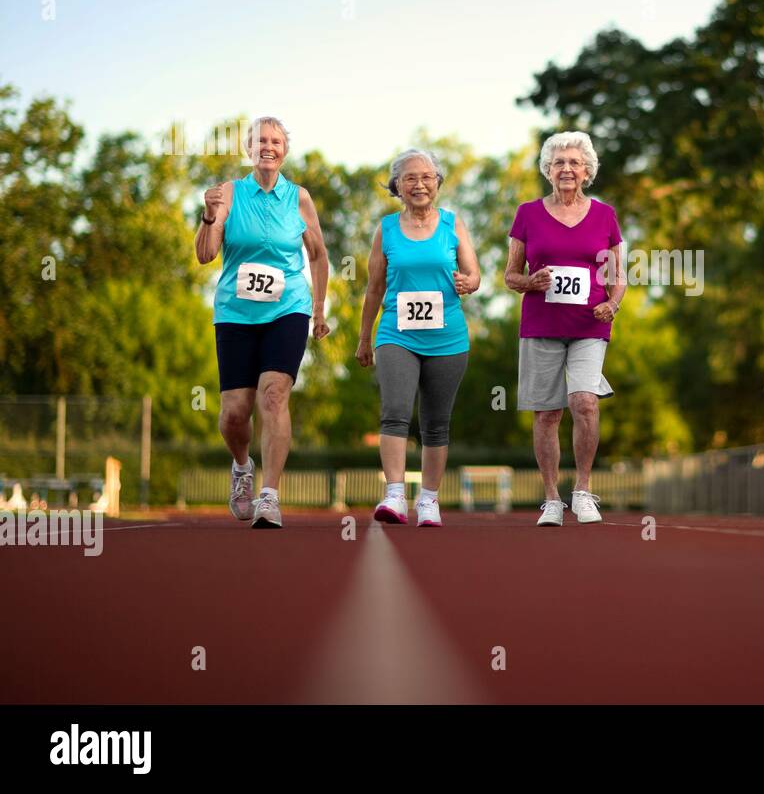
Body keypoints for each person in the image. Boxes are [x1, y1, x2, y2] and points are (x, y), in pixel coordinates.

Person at [195, 116, 330, 529]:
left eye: (275, 141)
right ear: (248, 148)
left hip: (287, 308)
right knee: (235, 413)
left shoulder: (300, 198)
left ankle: (269, 495)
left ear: (284, 149)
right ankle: (242, 467)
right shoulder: (229, 194)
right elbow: (205, 255)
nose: (267, 147)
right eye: (259, 141)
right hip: (236, 312)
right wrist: (208, 215)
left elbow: (319, 255)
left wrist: (320, 308)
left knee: (273, 396)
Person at [505, 131, 625, 527]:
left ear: (587, 170)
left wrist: (612, 303)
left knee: (584, 402)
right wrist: (530, 282)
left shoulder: (605, 215)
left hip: (590, 324)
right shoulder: (527, 213)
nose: (567, 169)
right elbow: (510, 275)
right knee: (548, 414)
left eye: (574, 162)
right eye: (559, 163)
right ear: (547, 170)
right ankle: (552, 498)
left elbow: (617, 276)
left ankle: (583, 491)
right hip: (541, 324)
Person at [356, 149, 480, 526]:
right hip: (397, 333)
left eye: (426, 176)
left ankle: (428, 500)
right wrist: (365, 337)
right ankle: (394, 495)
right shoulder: (386, 229)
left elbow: (475, 274)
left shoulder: (453, 224)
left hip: (448, 337)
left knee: (436, 422)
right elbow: (374, 288)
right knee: (394, 411)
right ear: (397, 186)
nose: (419, 184)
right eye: (410, 178)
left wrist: (468, 282)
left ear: (438, 182)